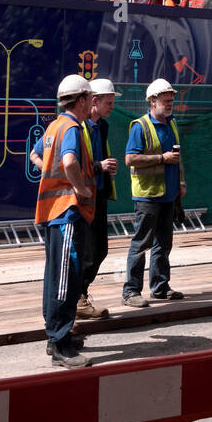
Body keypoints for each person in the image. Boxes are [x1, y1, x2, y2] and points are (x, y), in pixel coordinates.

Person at [35, 74, 96, 368]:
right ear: (82, 100)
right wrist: (80, 189)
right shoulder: (71, 127)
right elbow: (70, 162)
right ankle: (60, 343)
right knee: (65, 278)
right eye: (90, 99)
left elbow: (35, 156)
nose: (92, 105)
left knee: (54, 276)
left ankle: (55, 337)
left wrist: (55, 176)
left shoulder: (53, 126)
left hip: (51, 212)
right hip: (66, 211)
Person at [123, 77, 186, 307]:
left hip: (168, 195)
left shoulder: (172, 124)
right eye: (165, 100)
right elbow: (130, 159)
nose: (170, 104)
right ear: (152, 101)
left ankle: (160, 287)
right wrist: (161, 158)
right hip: (148, 195)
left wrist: (181, 183)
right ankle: (131, 291)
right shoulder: (140, 126)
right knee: (141, 243)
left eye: (171, 101)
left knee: (163, 243)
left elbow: (178, 158)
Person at [77, 79, 120, 319]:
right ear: (95, 101)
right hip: (83, 196)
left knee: (100, 250)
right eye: (109, 102)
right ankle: (77, 298)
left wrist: (105, 168)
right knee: (86, 250)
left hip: (99, 194)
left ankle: (79, 294)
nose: (112, 107)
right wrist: (99, 166)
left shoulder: (102, 126)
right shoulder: (77, 127)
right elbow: (73, 162)